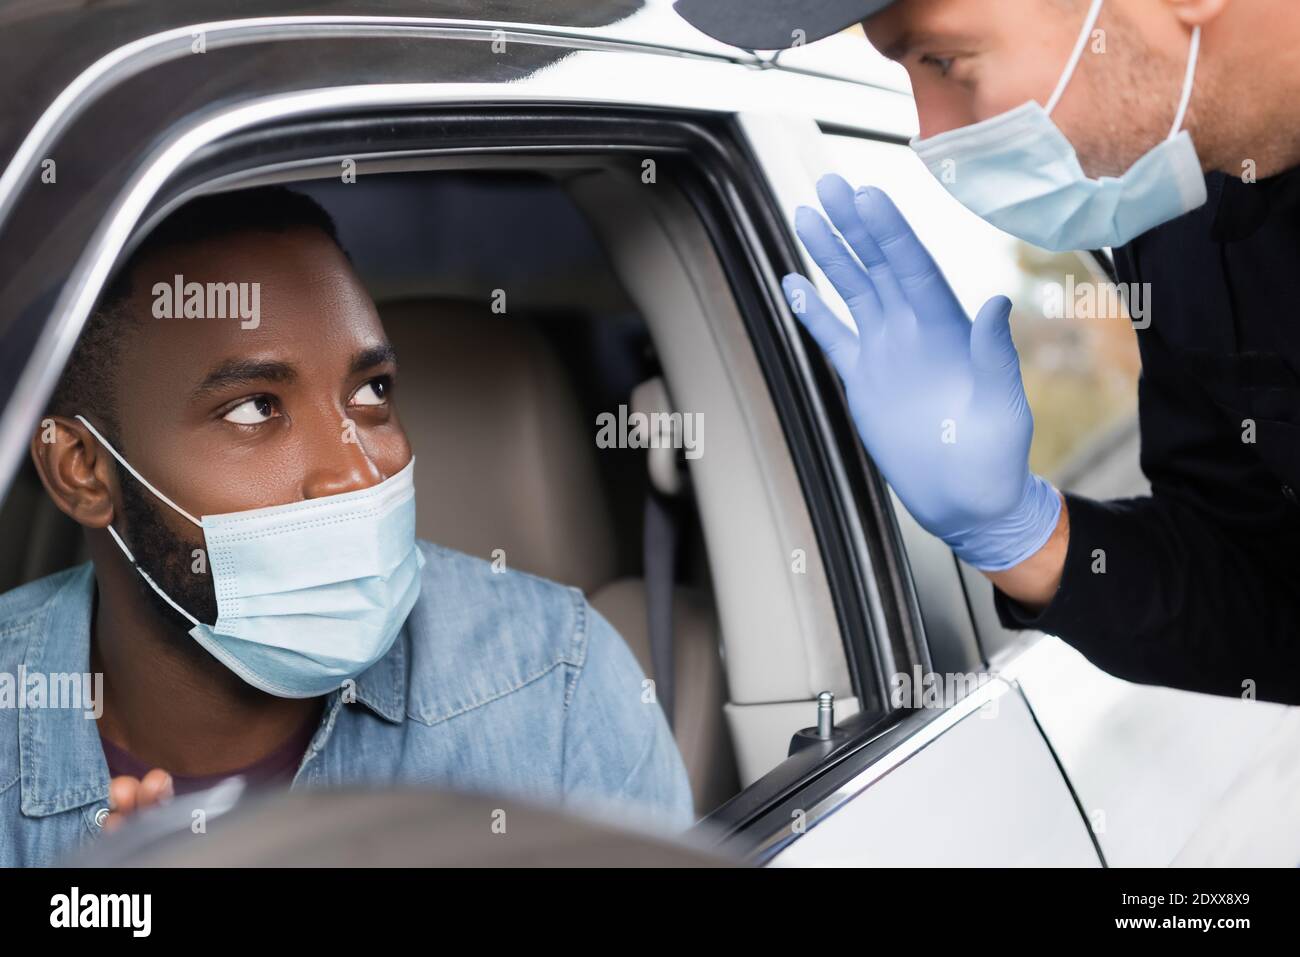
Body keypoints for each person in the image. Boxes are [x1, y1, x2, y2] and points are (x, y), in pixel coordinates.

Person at [0, 186, 692, 866]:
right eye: (253, 409)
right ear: (83, 470)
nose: (357, 473)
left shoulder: (555, 691)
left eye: (371, 392)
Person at [675, 0, 1300, 703]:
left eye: (943, 60)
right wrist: (1022, 536)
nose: (931, 132)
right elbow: (1270, 593)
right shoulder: (1185, 235)